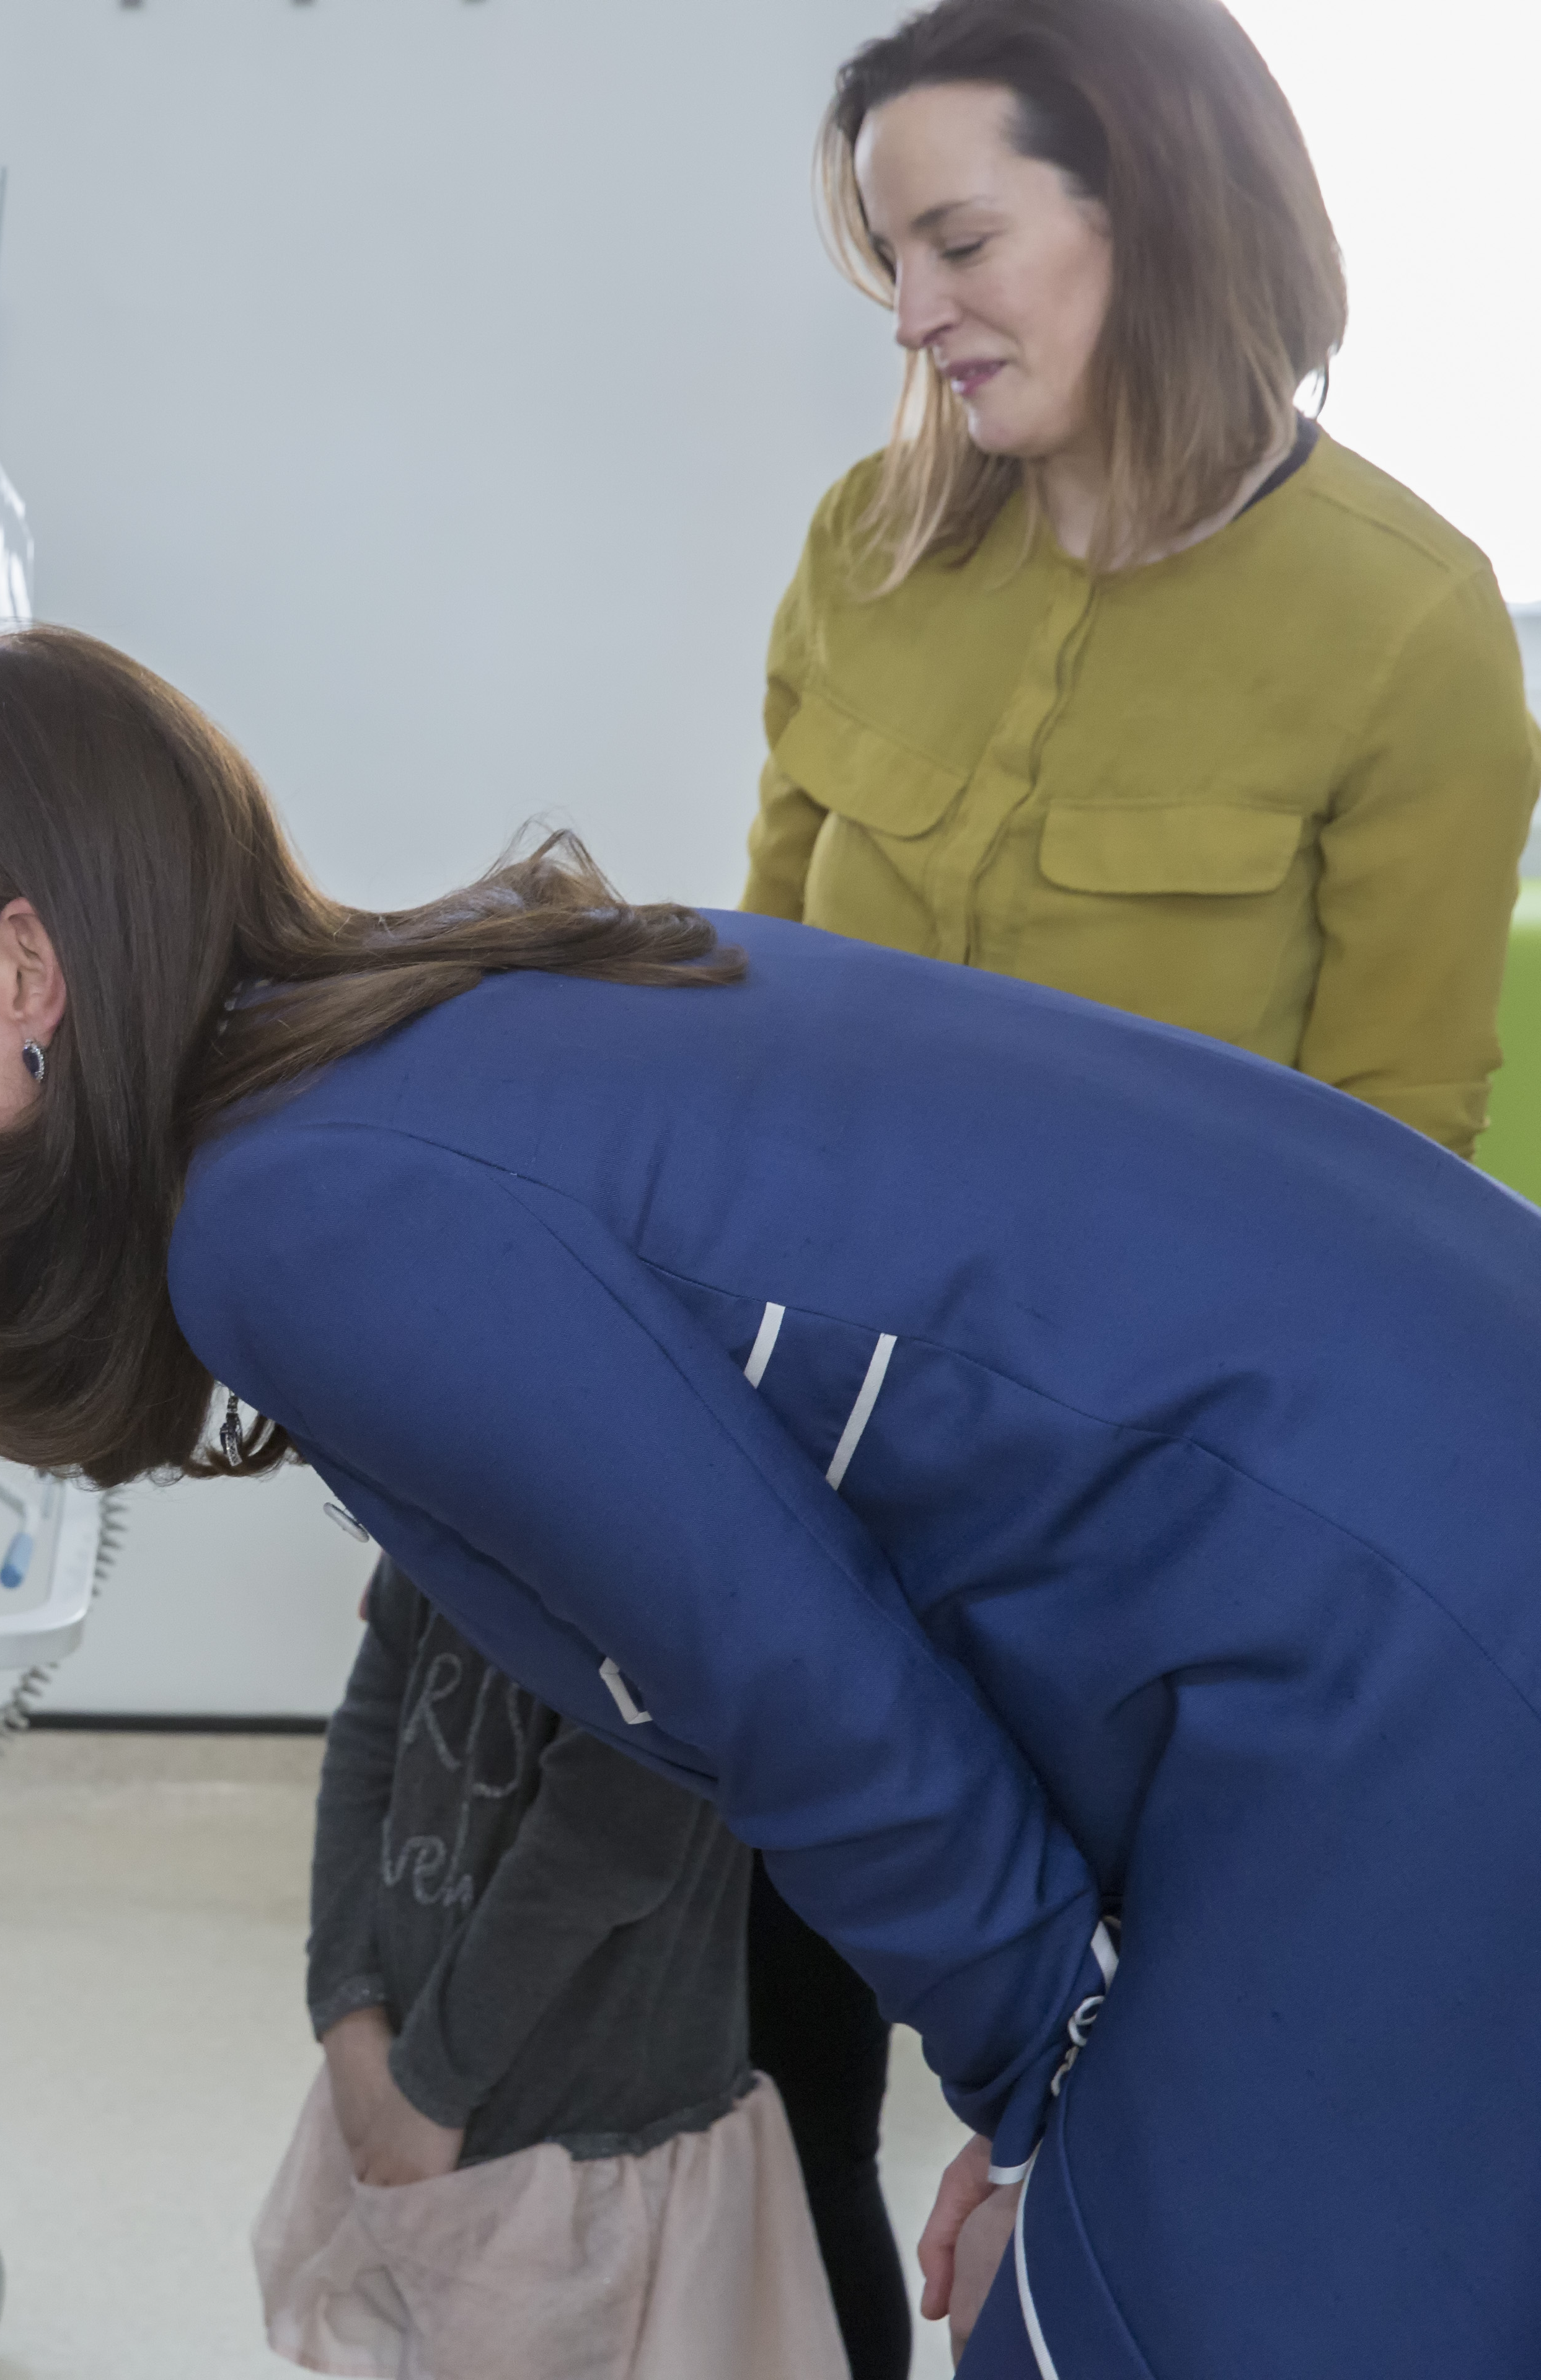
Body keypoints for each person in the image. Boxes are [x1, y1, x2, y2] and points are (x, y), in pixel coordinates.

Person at [0, 624, 1541, 2379]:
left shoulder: (293, 1209)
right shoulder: (442, 1029)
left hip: (1404, 1645)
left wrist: (1033, 2100)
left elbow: (792, 1679)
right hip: (1411, 1530)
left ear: (23, 967)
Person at [743, 7, 1539, 2359]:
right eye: (890, 256)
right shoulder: (861, 551)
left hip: (1148, 1563)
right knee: (762, 2097)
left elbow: (1384, 1204)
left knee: (1134, 2173)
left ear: (1154, 213)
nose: (912, 311)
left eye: (958, 238)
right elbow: (749, 1024)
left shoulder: (1407, 627)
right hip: (814, 1504)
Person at [255, 1556, 842, 2378]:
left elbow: (608, 1847)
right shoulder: (429, 1504)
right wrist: (349, 2018)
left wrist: (430, 2083)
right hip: (399, 2090)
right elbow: (366, 1734)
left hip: (589, 2146)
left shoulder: (653, 1565)